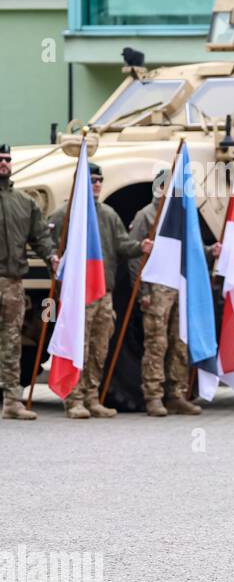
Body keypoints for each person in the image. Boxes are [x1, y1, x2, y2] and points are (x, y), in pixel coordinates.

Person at [47, 162, 153, 418]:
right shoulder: (64, 215)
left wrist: (141, 247)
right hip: (77, 294)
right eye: (92, 179)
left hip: (103, 292)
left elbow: (122, 245)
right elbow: (49, 244)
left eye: (99, 180)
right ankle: (74, 399)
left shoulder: (107, 214)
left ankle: (92, 397)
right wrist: (53, 259)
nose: (96, 184)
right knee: (77, 347)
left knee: (99, 347)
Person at [129, 170, 220, 417]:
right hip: (158, 287)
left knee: (180, 342)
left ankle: (176, 393)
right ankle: (154, 395)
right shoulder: (146, 216)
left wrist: (211, 251)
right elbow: (136, 258)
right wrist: (143, 292)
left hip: (181, 286)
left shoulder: (182, 215)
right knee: (157, 344)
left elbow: (193, 249)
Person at [0, 142, 58, 420]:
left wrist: (52, 259)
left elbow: (41, 237)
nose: (4, 164)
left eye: (7, 160)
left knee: (11, 342)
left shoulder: (24, 203)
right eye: (0, 159)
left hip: (12, 284)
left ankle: (12, 399)